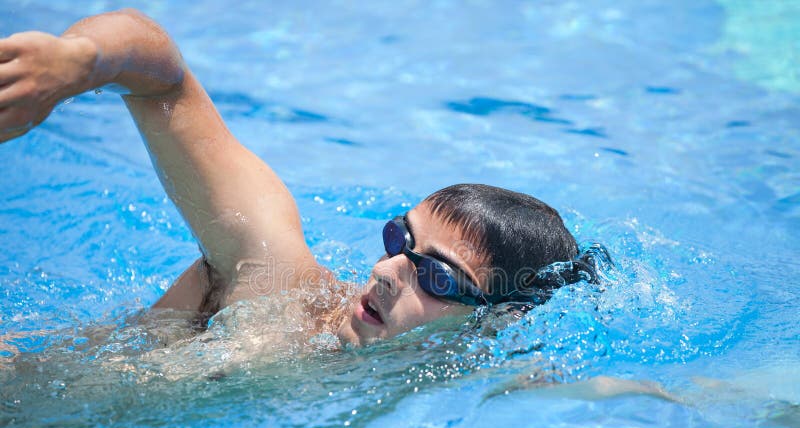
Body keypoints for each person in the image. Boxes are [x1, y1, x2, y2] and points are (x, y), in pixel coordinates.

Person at [0, 9, 600, 349]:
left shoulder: (461, 375)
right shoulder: (274, 280)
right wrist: (78, 62)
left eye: (436, 275)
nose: (387, 270)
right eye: (400, 241)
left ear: (493, 322)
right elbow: (162, 75)